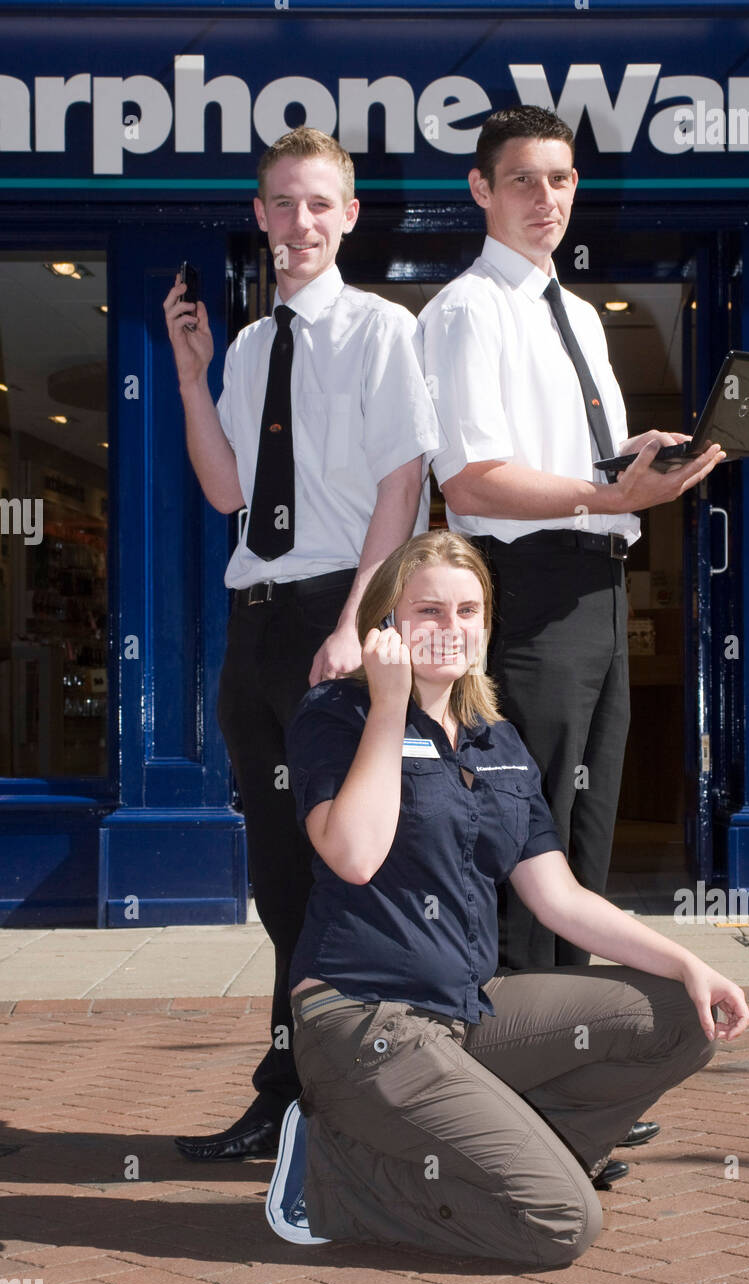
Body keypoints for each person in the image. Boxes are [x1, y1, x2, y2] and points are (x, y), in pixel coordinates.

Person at [265, 530, 749, 1265]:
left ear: (487, 626)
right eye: (427, 610)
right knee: (559, 1225)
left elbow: (559, 897)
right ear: (386, 622)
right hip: (363, 1024)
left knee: (683, 1016)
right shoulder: (338, 714)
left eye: (468, 610)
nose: (450, 628)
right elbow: (355, 855)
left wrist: (689, 963)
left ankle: (511, 1153)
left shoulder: (499, 742)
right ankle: (337, 1177)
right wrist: (392, 705)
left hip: (466, 1014)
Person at [418, 105, 727, 1174]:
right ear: (479, 190)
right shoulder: (463, 312)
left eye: (559, 179)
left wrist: (637, 460)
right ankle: (501, 1109)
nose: (545, 199)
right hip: (532, 593)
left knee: (578, 856)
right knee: (519, 856)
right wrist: (605, 491)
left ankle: (563, 1095)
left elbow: (570, 462)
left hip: (596, 587)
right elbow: (469, 480)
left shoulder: (579, 315)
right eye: (522, 182)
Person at [163, 128, 439, 1161]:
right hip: (256, 626)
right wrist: (192, 375)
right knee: (281, 884)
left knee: (345, 875)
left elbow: (401, 482)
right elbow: (229, 492)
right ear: (260, 215)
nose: (298, 224)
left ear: (350, 214)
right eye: (280, 204)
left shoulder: (379, 331)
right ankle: (291, 1093)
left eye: (318, 203)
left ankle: (342, 1095)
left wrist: (354, 623)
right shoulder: (243, 345)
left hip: (334, 614)